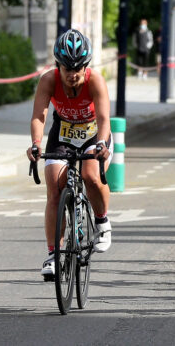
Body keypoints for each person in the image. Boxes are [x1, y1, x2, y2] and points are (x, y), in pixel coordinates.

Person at [27, 29, 113, 280]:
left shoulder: (95, 80)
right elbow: (38, 116)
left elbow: (105, 118)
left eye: (78, 68)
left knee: (90, 175)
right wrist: (35, 143)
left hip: (93, 133)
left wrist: (101, 145)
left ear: (86, 67)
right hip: (63, 132)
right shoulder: (48, 80)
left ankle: (102, 222)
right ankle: (54, 255)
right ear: (58, 66)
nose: (73, 74)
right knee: (54, 188)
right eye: (67, 69)